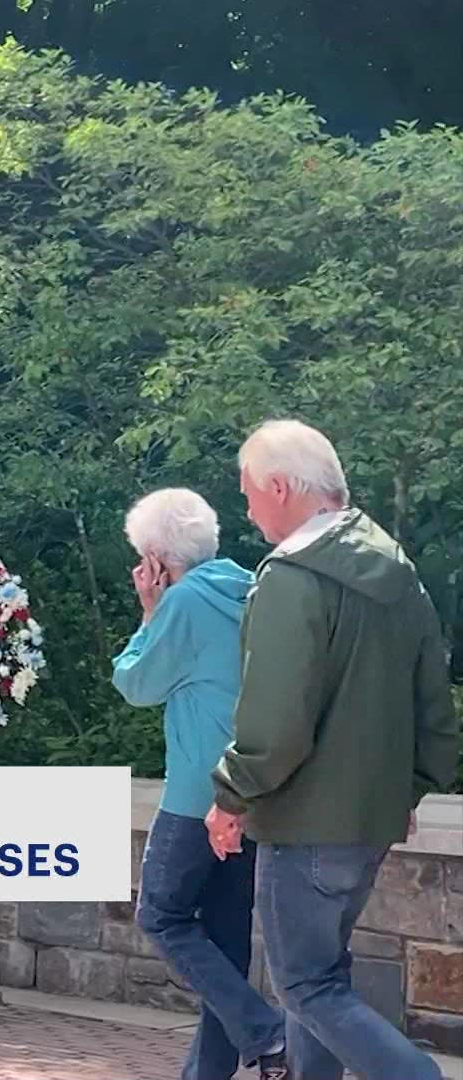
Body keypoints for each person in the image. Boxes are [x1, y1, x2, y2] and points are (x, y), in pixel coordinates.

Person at [208, 419, 458, 1080]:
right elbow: (435, 713)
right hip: (367, 825)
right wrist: (404, 792)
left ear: (282, 487)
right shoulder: (398, 572)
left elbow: (274, 721)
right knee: (322, 978)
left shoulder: (291, 577)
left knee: (305, 988)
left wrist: (230, 794)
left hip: (303, 825)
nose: (249, 509)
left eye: (250, 493)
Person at [113, 488, 288, 1080]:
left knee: (160, 916)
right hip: (251, 789)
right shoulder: (255, 588)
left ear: (157, 556)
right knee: (226, 941)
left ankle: (267, 1031)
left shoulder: (184, 603)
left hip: (196, 796)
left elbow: (136, 683)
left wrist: (149, 611)